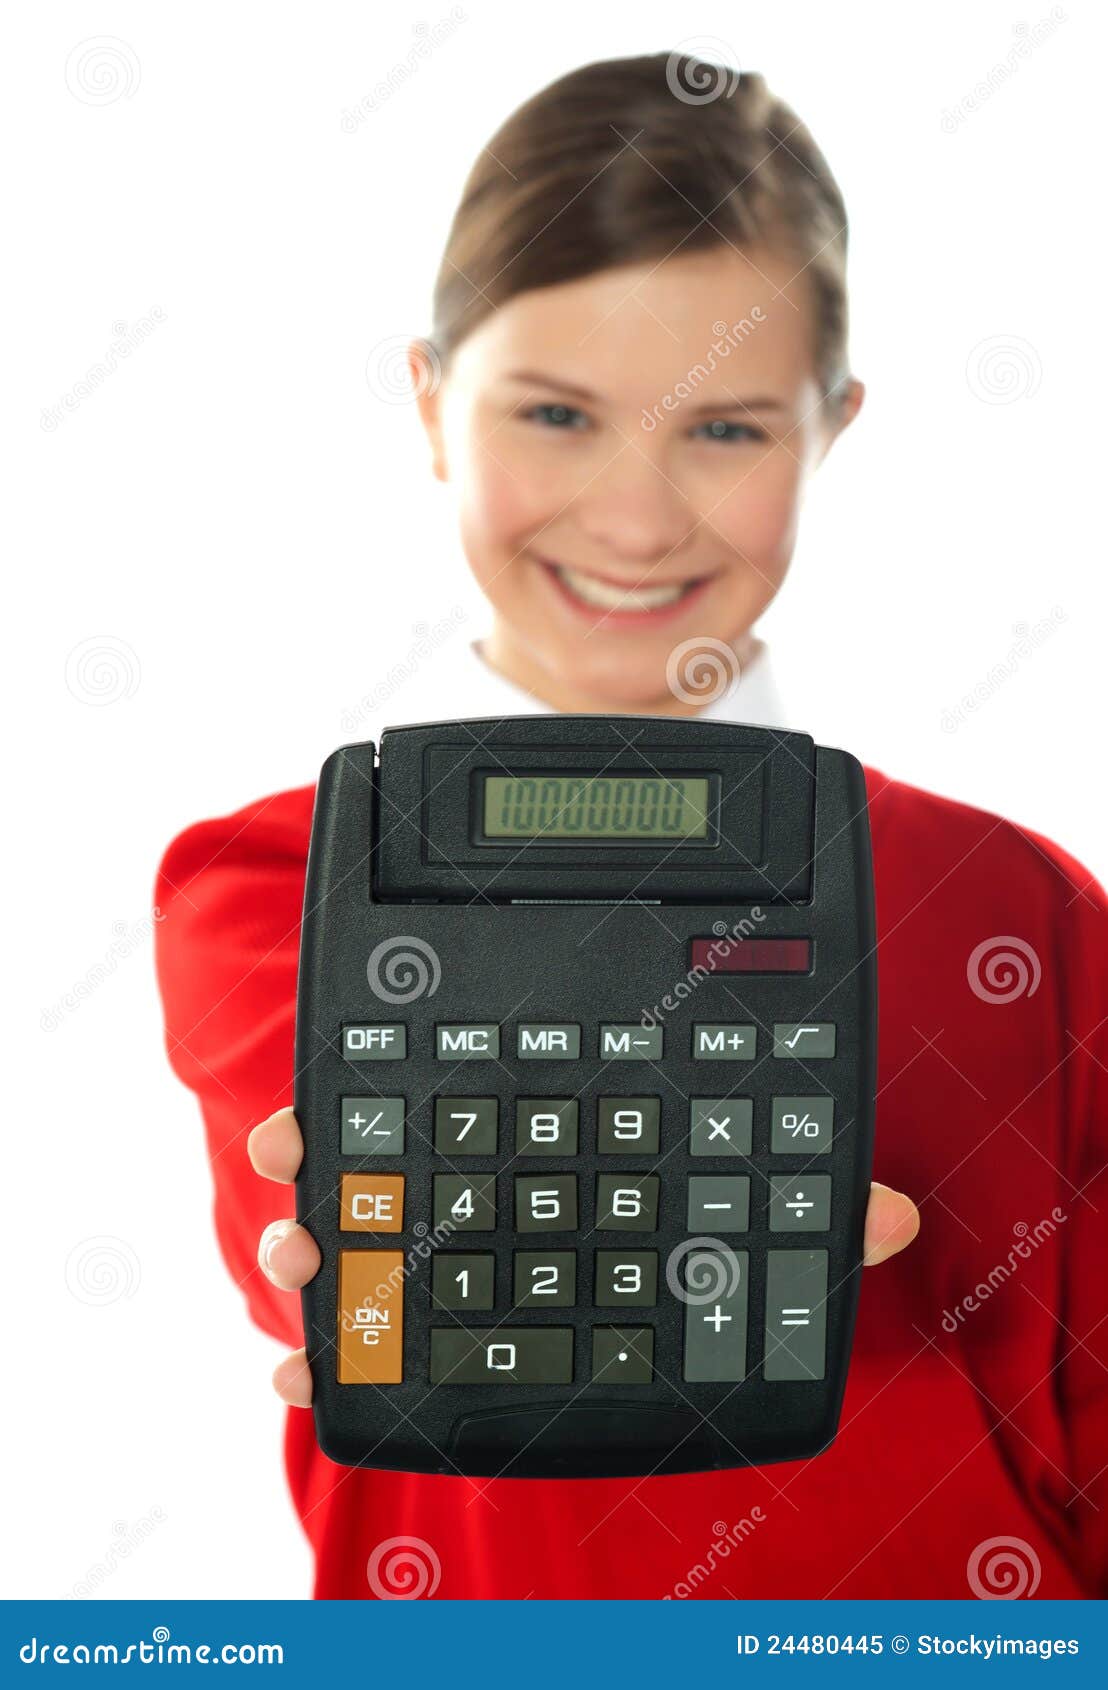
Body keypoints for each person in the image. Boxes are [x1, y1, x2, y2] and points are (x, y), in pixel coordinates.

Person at [154, 55, 1107, 1599]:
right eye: (556, 413)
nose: (637, 517)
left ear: (833, 426)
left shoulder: (1024, 900)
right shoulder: (267, 882)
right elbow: (381, 1306)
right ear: (429, 404)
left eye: (725, 431)